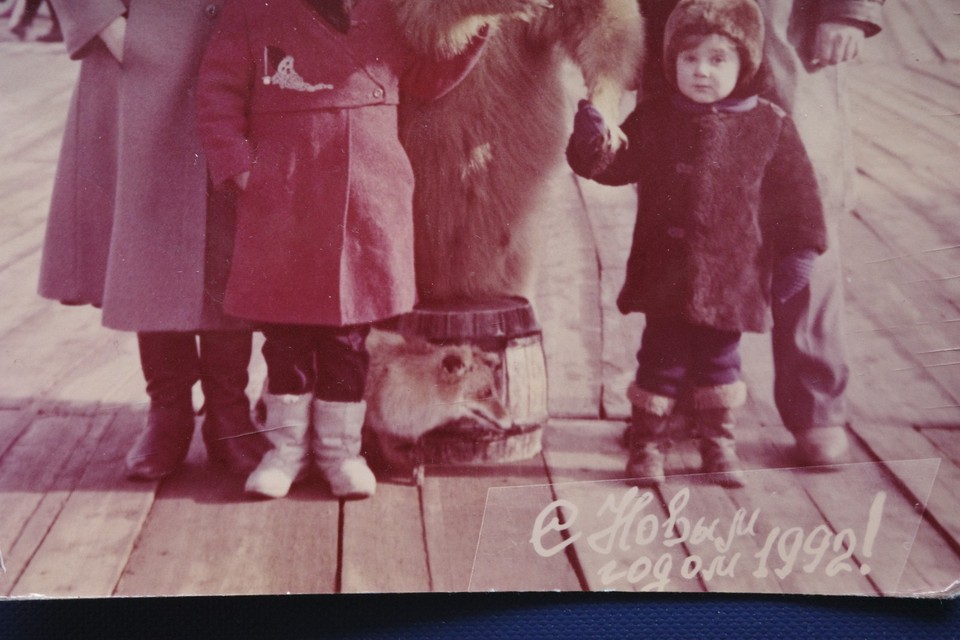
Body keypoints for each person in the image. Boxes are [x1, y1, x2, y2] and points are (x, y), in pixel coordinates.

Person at [195, 0, 506, 500]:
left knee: (348, 342)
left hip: (365, 200)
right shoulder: (252, 10)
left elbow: (427, 76)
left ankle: (341, 452)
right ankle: (286, 452)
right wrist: (241, 166)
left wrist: (478, 21)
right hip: (284, 202)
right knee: (285, 341)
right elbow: (217, 92)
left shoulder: (389, 10)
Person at [567, 0, 828, 486]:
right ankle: (647, 446)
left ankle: (718, 445)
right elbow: (613, 165)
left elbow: (798, 197)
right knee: (658, 363)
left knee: (721, 365)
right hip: (666, 276)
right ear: (671, 64)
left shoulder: (768, 125)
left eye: (717, 59)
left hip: (731, 277)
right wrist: (593, 144)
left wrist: (799, 252)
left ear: (744, 64)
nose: (701, 72)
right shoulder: (657, 117)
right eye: (689, 60)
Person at [638, 0, 885, 466]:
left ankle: (816, 406)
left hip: (785, 26)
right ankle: (691, 397)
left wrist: (848, 10)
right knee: (685, 202)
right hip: (675, 23)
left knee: (806, 211)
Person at [39, 2, 269, 481]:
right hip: (142, 55)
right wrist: (108, 26)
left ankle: (230, 412)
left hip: (244, 37)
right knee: (152, 233)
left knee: (234, 232)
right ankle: (168, 412)